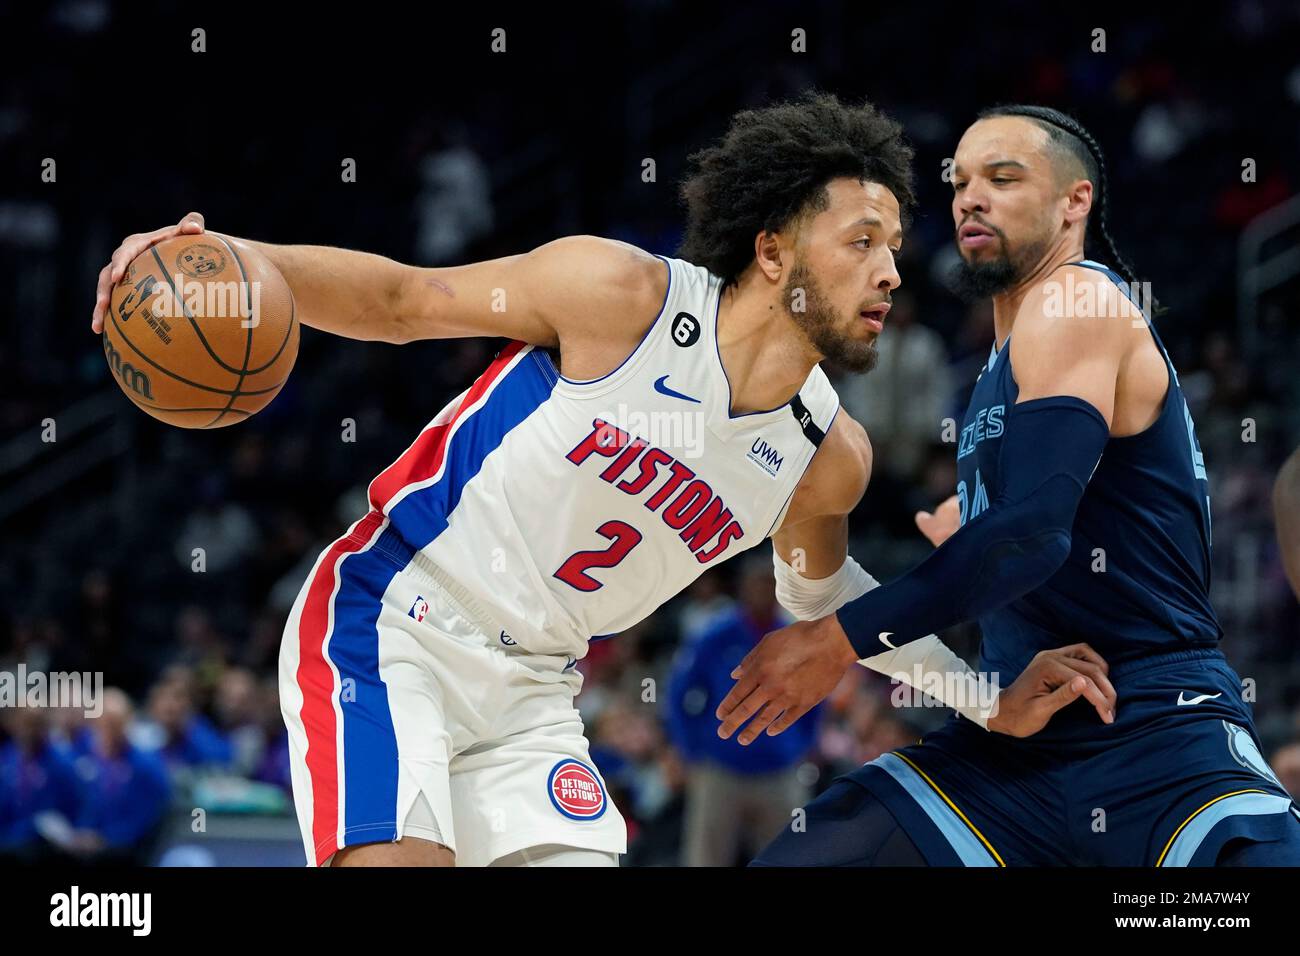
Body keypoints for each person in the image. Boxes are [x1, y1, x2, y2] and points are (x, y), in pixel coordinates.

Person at [91, 93, 1099, 868]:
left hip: (535, 689)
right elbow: (403, 298)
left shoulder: (827, 453)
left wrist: (982, 696)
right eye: (860, 243)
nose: (890, 271)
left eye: (893, 247)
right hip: (394, 617)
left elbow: (821, 599)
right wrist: (224, 258)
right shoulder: (620, 295)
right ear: (772, 247)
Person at [728, 106, 1300, 866]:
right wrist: (966, 539)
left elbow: (1030, 536)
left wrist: (837, 642)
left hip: (1154, 730)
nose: (971, 197)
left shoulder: (1077, 301)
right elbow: (1040, 535)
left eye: (1003, 177)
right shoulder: (1006, 363)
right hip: (1018, 741)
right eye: (960, 181)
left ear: (1075, 201)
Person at [666, 553, 819, 865]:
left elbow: (818, 695)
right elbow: (678, 693)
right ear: (743, 588)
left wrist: (805, 743)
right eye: (758, 583)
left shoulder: (795, 637)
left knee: (792, 858)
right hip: (720, 768)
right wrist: (689, 749)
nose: (765, 590)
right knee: (706, 858)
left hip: (781, 769)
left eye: (771, 583)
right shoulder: (714, 636)